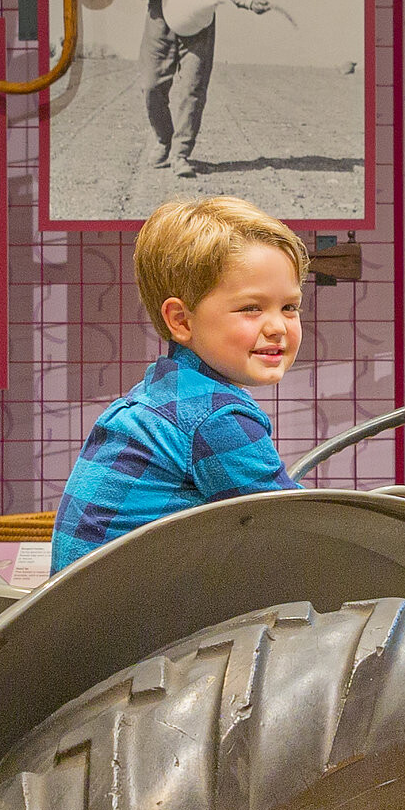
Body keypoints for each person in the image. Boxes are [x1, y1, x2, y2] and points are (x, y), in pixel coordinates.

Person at [51, 193, 304, 570]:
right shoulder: (213, 418)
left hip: (89, 613)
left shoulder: (162, 395)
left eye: (290, 307)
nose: (278, 327)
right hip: (133, 623)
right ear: (182, 321)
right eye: (251, 308)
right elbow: (304, 534)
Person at [134, 0, 275, 178]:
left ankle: (181, 153)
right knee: (151, 85)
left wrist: (250, 1)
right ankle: (162, 139)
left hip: (199, 25)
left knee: (193, 89)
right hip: (160, 20)